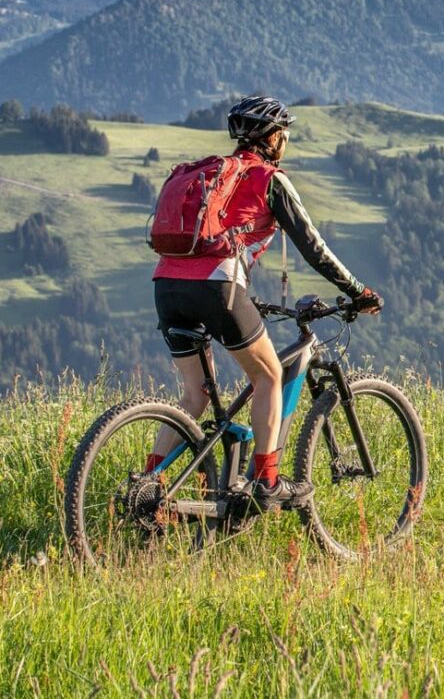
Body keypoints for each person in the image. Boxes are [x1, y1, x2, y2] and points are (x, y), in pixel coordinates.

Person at [147, 95, 382, 511]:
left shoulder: (211, 173)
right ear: (272, 138)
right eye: (284, 134)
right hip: (219, 288)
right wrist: (357, 291)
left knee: (194, 396)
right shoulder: (268, 178)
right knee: (269, 376)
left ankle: (149, 486)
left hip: (166, 284)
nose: (286, 141)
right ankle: (267, 481)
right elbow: (314, 248)